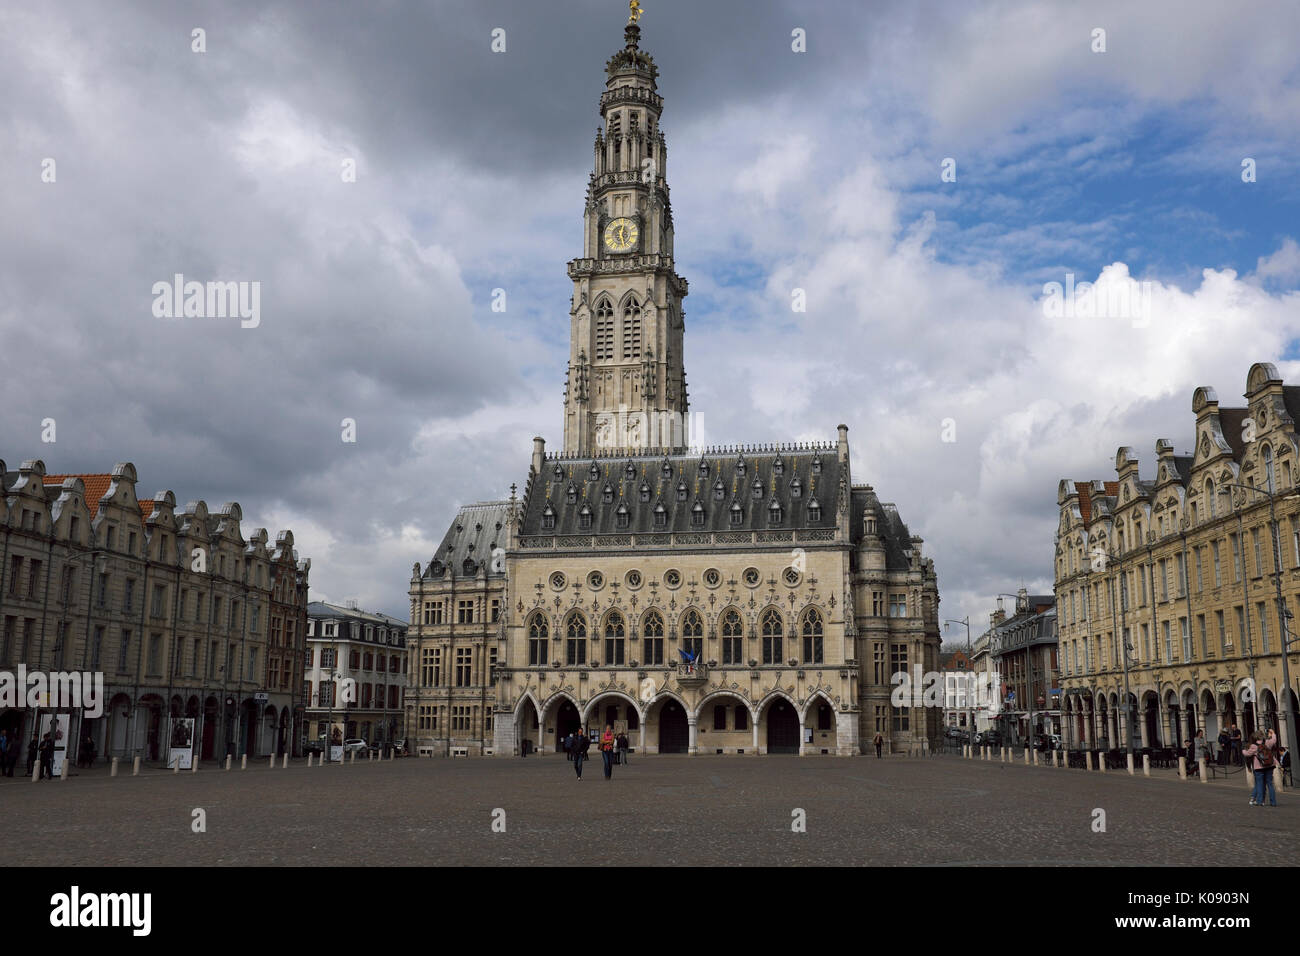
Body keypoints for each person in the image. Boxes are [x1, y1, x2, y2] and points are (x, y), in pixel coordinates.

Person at [1245, 730, 1279, 807]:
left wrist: (1243, 750)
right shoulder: (1267, 742)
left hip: (1258, 767)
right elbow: (1274, 740)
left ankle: (1260, 801)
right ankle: (1273, 802)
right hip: (1270, 765)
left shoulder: (1253, 746)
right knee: (1270, 784)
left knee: (1259, 784)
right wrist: (1273, 733)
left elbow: (1247, 754)